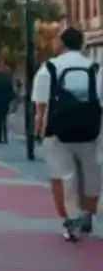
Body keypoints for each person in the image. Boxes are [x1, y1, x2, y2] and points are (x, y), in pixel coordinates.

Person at [31, 27, 103, 242]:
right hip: (91, 132)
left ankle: (70, 220)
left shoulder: (48, 69)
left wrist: (39, 133)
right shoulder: (96, 68)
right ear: (82, 44)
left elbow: (40, 109)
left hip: (58, 133)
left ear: (60, 44)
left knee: (63, 177)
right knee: (91, 176)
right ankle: (88, 214)